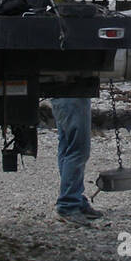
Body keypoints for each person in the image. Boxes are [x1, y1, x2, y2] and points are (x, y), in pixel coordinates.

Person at [50, 97, 101, 226]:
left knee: (67, 146)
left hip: (63, 96)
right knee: (78, 150)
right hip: (73, 95)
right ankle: (68, 204)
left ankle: (74, 199)